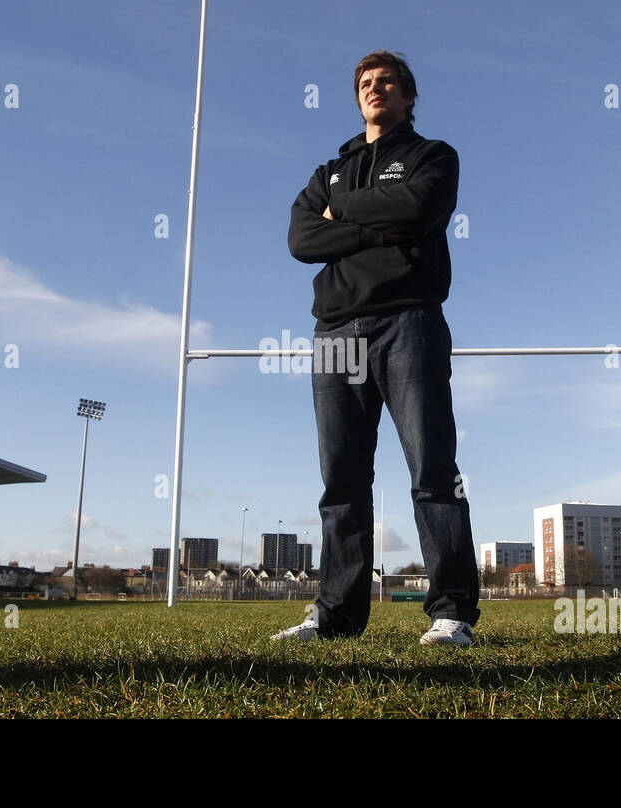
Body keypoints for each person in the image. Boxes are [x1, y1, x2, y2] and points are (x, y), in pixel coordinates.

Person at [272, 50, 480, 646]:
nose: (374, 89)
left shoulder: (432, 156)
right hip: (336, 330)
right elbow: (300, 238)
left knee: (432, 469)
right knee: (341, 479)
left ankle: (452, 612)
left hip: (407, 322)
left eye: (386, 81)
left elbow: (419, 207)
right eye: (364, 82)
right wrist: (379, 226)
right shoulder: (329, 170)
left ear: (408, 95)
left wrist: (347, 220)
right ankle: (337, 616)